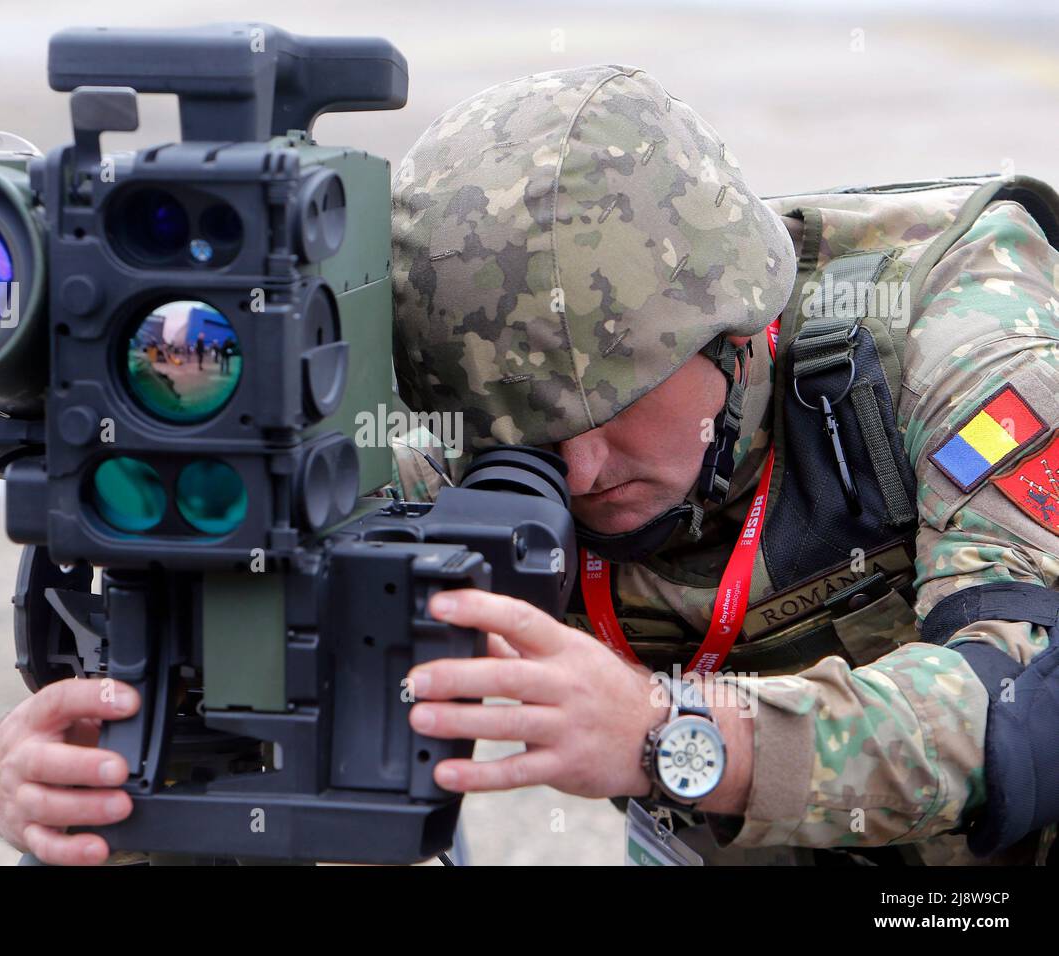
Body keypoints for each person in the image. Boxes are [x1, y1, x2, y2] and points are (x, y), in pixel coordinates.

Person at [387, 65, 1059, 865]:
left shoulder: (957, 335)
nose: (580, 470)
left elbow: (1027, 701)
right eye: (531, 427)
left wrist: (671, 733)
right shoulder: (468, 420)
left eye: (613, 403)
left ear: (734, 332)